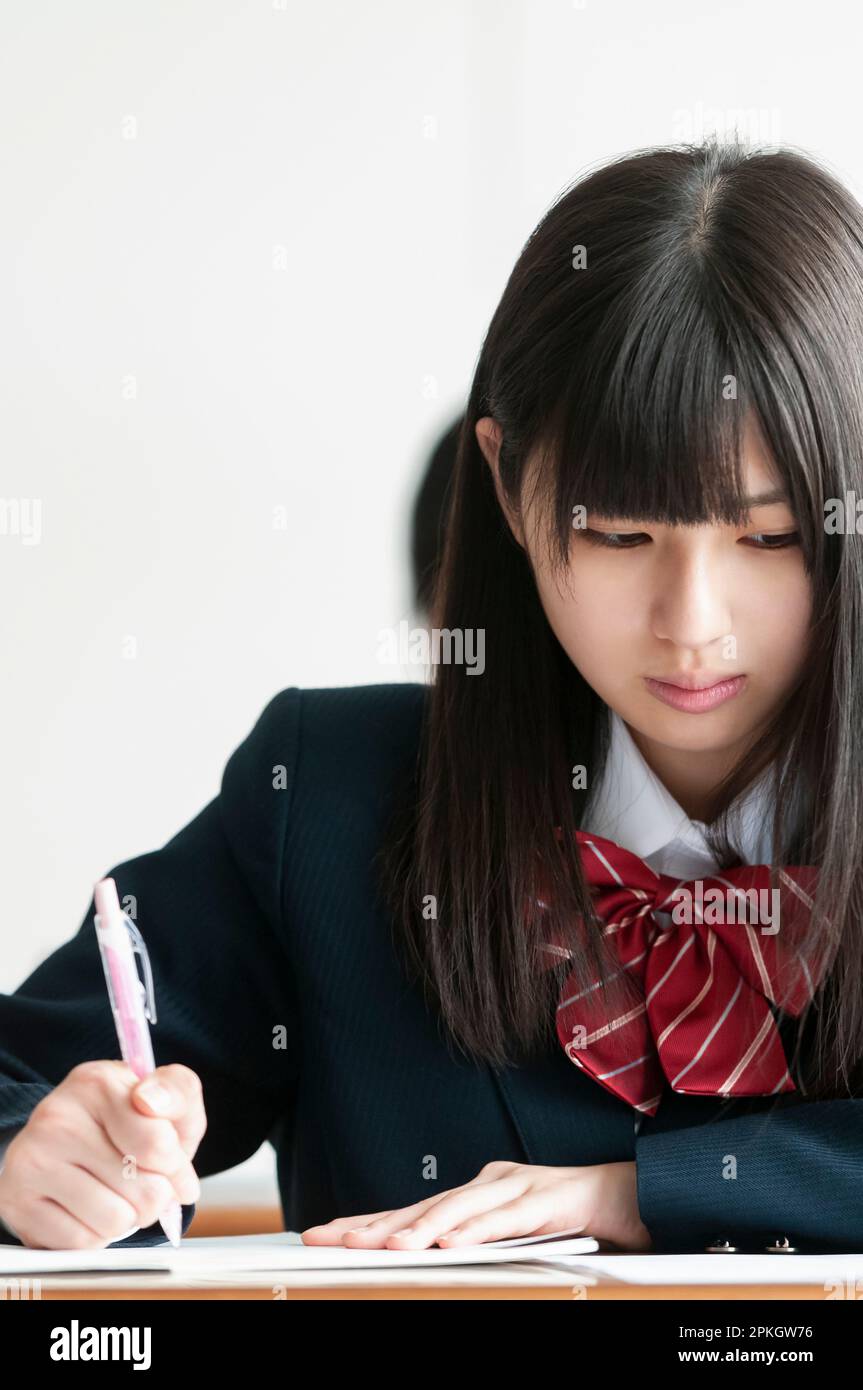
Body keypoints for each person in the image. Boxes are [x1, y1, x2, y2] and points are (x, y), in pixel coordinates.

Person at [2, 135, 863, 1254]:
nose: (689, 621)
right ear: (507, 483)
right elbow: (25, 1073)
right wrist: (39, 1153)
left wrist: (633, 1192)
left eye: (769, 535)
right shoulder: (330, 799)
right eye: (616, 532)